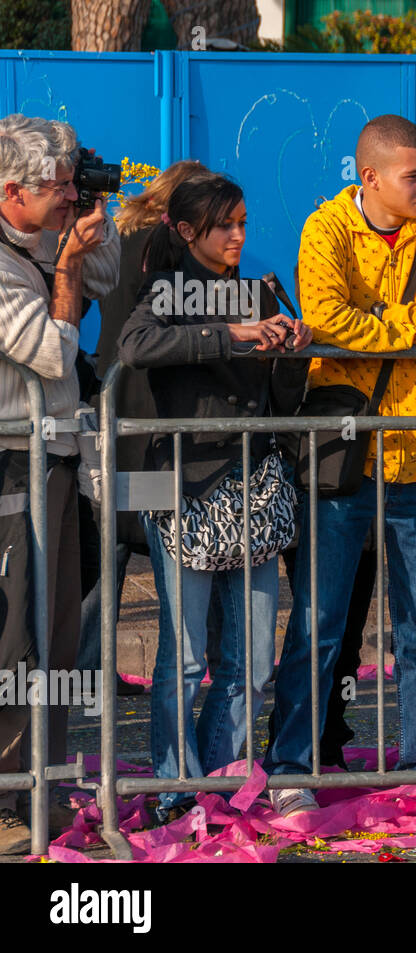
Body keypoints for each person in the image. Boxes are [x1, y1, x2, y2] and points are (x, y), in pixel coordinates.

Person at [264, 115, 416, 816]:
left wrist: (386, 322)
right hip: (344, 453)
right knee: (319, 623)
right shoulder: (323, 230)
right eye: (412, 176)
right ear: (370, 179)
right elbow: (327, 318)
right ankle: (292, 761)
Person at [117, 172, 310, 823]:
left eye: (244, 222)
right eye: (225, 224)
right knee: (186, 656)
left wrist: (291, 352)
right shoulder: (169, 288)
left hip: (254, 494)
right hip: (186, 491)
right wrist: (234, 334)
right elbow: (134, 345)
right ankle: (174, 791)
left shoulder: (263, 288)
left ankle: (225, 781)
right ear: (191, 231)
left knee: (254, 659)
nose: (238, 236)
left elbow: (284, 402)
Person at [0, 114, 120, 854]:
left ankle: (43, 781)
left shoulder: (51, 233)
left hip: (60, 455)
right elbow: (51, 349)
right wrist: (68, 270)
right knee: (13, 637)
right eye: (56, 187)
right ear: (11, 192)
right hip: (12, 456)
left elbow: (108, 272)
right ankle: (10, 802)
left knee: (58, 634)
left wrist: (80, 230)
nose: (69, 195)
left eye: (73, 181)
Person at [79, 159, 207, 690]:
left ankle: (83, 690)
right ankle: (179, 684)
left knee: (102, 565)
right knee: (173, 566)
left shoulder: (117, 246)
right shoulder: (168, 257)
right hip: (154, 425)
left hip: (113, 421)